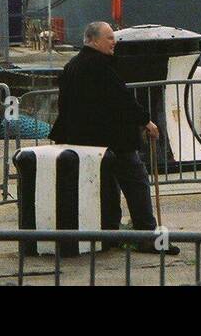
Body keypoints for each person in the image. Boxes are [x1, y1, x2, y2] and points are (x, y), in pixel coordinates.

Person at [50, 20, 179, 255]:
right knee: (136, 182)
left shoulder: (72, 66)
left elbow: (65, 105)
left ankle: (110, 233)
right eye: (109, 38)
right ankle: (147, 235)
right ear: (94, 40)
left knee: (108, 187)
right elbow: (121, 99)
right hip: (114, 140)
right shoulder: (100, 66)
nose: (114, 42)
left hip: (84, 140)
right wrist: (146, 121)